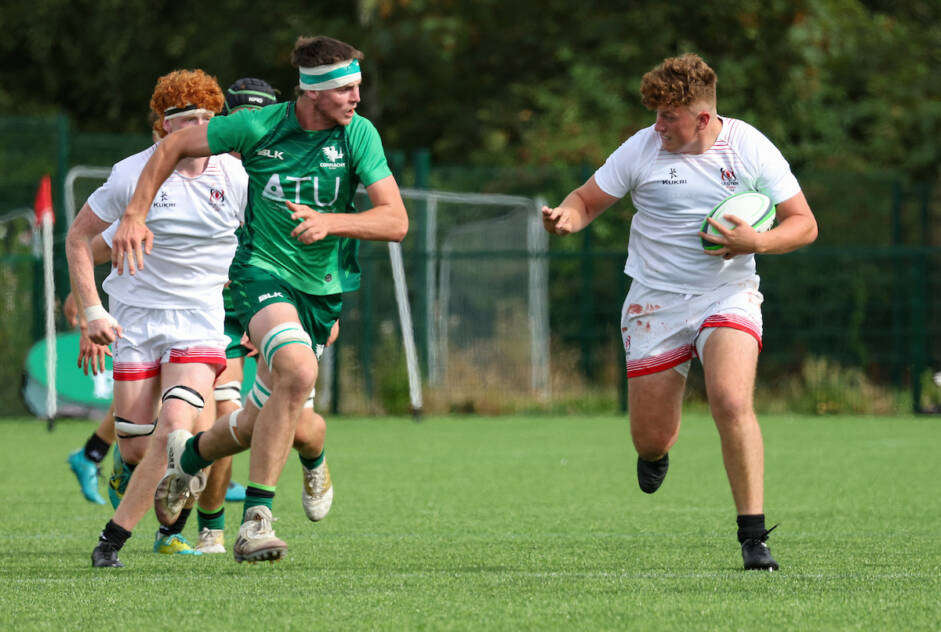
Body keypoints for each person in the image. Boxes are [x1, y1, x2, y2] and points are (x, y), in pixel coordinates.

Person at [112, 35, 408, 563]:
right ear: (313, 92)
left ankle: (191, 456)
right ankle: (255, 521)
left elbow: (395, 220)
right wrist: (135, 212)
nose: (356, 98)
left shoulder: (359, 135)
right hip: (260, 275)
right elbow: (174, 145)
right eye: (345, 89)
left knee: (259, 419)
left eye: (358, 87)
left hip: (322, 290)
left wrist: (331, 222)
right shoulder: (259, 125)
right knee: (296, 372)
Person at [541, 53, 817, 571]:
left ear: (704, 118)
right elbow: (587, 199)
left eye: (669, 116)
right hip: (655, 301)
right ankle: (654, 454)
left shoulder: (749, 146)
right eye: (655, 114)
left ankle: (753, 537)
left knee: (731, 401)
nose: (658, 125)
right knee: (650, 437)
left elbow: (804, 223)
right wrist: (565, 219)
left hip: (727, 295)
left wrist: (758, 240)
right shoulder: (641, 148)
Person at [66, 68, 248, 567]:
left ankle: (111, 541)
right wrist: (91, 311)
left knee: (176, 429)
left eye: (207, 119)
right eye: (185, 120)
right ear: (161, 129)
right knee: (134, 450)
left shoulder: (236, 176)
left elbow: (263, 247)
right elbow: (80, 240)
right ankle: (134, 476)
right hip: (136, 323)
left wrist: (262, 310)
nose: (198, 129)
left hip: (199, 322)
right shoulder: (131, 175)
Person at [193, 77, 336, 555]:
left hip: (283, 304)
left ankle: (313, 457)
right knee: (220, 411)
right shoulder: (202, 170)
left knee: (287, 424)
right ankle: (209, 529)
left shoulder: (291, 164)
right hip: (222, 310)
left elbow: (325, 233)